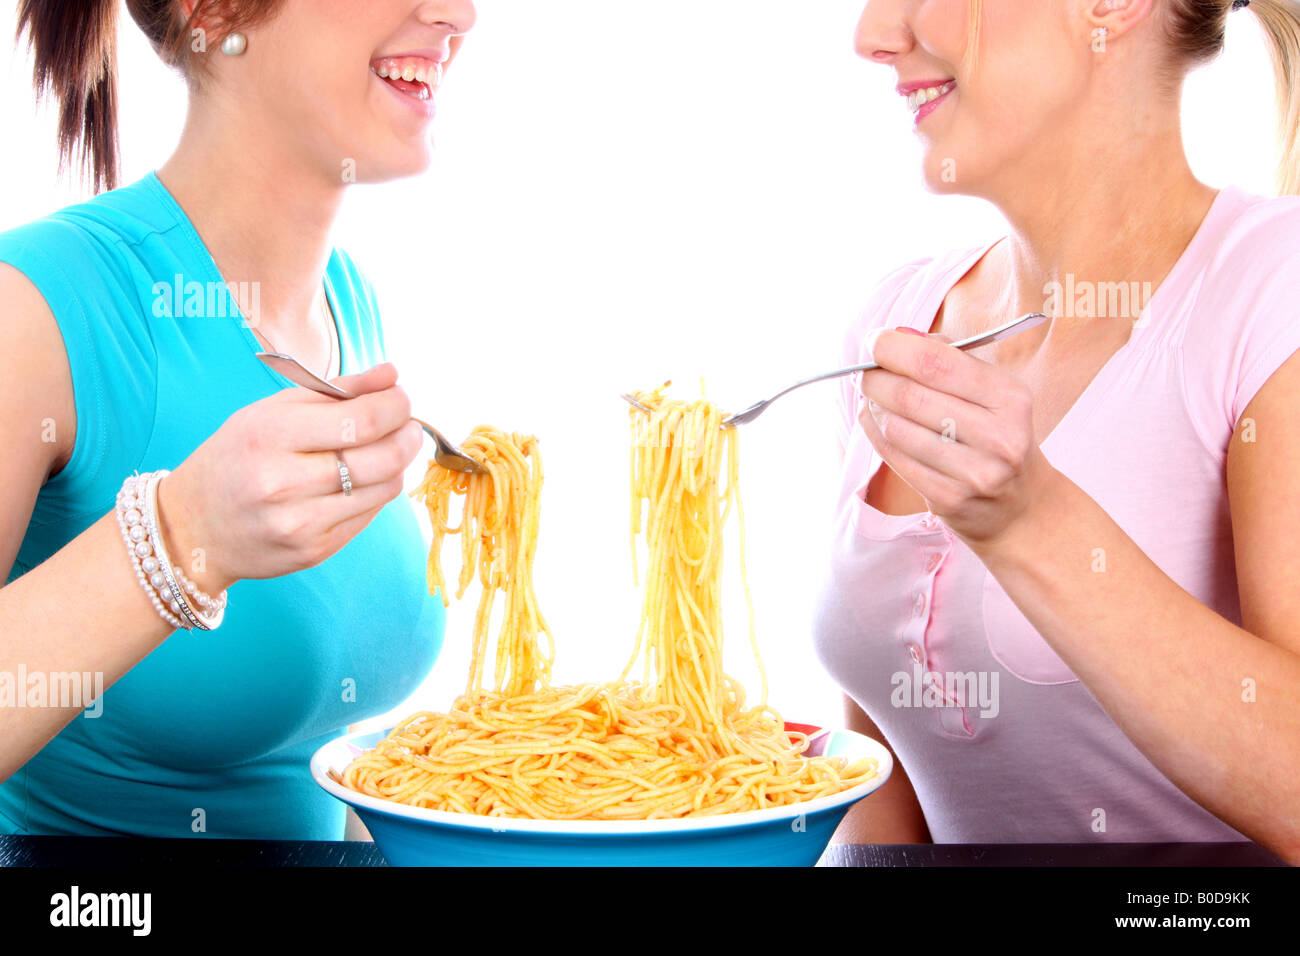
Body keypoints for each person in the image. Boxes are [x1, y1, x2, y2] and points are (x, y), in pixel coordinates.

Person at [816, 0, 1300, 862]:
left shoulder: (1274, 294)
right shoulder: (896, 322)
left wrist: (1031, 523)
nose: (873, 34)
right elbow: (880, 792)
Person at [0, 0, 477, 838]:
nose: (458, 13)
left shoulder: (347, 303)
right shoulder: (33, 307)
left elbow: (324, 761)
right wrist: (180, 536)